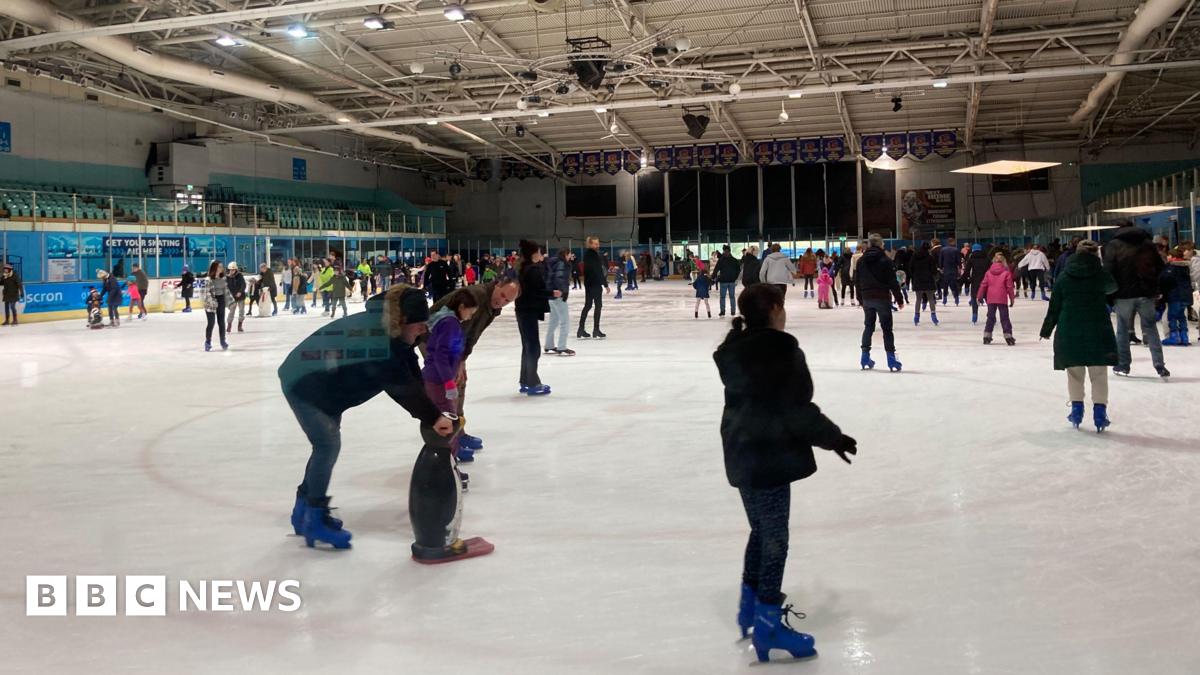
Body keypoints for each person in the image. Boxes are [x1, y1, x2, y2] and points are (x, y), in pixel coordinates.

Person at [713, 283, 856, 663]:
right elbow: (796, 408)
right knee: (776, 541)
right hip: (769, 454)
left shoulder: (733, 350)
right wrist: (833, 438)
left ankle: (748, 607)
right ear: (775, 309)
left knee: (761, 531)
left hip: (741, 450)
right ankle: (768, 625)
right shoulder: (782, 351)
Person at [280, 285, 471, 560]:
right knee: (327, 444)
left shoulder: (393, 332)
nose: (423, 330)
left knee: (325, 444)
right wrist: (432, 416)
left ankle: (303, 511)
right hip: (305, 384)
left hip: (324, 386)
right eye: (419, 325)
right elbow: (399, 385)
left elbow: (410, 371)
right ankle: (313, 516)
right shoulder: (377, 339)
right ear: (403, 321)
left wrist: (434, 411)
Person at [420, 277, 521, 459]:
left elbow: (472, 334)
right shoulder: (476, 297)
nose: (502, 301)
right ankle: (449, 442)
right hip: (434, 340)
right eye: (503, 295)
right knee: (447, 389)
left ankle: (457, 433)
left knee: (458, 385)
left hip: (449, 344)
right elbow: (457, 332)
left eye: (508, 301)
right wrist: (458, 363)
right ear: (497, 285)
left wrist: (463, 360)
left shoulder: (492, 306)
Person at [1039, 240, 1118, 432]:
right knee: (1099, 373)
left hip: (1070, 328)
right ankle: (1100, 413)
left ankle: (1076, 410)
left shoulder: (1064, 277)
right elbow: (1112, 288)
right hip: (1097, 327)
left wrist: (1047, 329)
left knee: (1074, 373)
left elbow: (1054, 306)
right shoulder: (1100, 274)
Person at [422, 291, 479, 483]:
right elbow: (440, 355)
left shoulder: (446, 320)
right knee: (448, 427)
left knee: (444, 426)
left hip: (435, 379)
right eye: (470, 312)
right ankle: (447, 472)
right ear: (462, 308)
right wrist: (448, 382)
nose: (470, 316)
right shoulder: (450, 324)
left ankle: (445, 468)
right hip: (438, 382)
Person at [1104, 222, 1169, 378]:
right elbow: (1160, 266)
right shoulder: (1147, 244)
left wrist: (1109, 295)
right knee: (1151, 328)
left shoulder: (1114, 245)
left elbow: (1108, 270)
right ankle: (1160, 365)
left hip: (1123, 294)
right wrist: (1153, 285)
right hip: (1145, 293)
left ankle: (1123, 365)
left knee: (1123, 330)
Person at [515, 241, 560, 396]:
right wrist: (552, 293)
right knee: (533, 348)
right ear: (534, 253)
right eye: (540, 251)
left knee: (527, 347)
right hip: (528, 310)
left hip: (523, 310)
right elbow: (536, 291)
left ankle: (525, 380)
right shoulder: (532, 270)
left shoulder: (524, 267)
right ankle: (533, 383)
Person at [856, 233, 905, 371]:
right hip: (882, 298)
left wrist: (860, 298)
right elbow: (892, 282)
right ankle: (891, 360)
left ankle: (865, 357)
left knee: (868, 327)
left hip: (867, 298)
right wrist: (899, 299)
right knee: (887, 329)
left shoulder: (861, 261)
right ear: (880, 244)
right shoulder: (885, 260)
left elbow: (857, 282)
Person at [977, 251, 1016, 345]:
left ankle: (987, 336)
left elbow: (983, 285)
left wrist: (979, 296)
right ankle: (1008, 336)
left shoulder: (988, 272)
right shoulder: (1006, 273)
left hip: (991, 298)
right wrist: (1012, 298)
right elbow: (1010, 287)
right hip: (1002, 298)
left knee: (990, 317)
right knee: (1004, 317)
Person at [544, 248, 575, 356]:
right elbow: (560, 278)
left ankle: (549, 345)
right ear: (566, 254)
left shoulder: (554, 263)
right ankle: (562, 347)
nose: (570, 256)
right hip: (558, 296)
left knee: (553, 322)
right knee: (565, 322)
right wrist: (563, 292)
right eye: (570, 254)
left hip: (551, 296)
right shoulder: (562, 264)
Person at [578, 236, 609, 339]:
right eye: (595, 244)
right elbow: (598, 271)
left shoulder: (589, 254)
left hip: (589, 284)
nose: (597, 245)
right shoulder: (592, 255)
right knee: (597, 306)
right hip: (594, 284)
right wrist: (605, 284)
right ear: (590, 244)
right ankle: (595, 330)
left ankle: (581, 329)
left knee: (588, 305)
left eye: (598, 243)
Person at [1161, 248, 1193, 346]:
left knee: (1172, 316)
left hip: (1175, 296)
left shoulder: (1172, 267)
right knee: (1181, 317)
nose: (1167, 257)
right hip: (1186, 296)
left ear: (1173, 257)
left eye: (1169, 255)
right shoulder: (1185, 267)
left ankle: (1174, 337)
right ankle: (1184, 336)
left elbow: (1164, 280)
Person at [909, 242, 939, 326]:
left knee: (918, 299)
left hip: (918, 279)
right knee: (930, 299)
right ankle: (933, 315)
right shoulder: (930, 258)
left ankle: (916, 316)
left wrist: (914, 276)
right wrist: (935, 275)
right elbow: (933, 270)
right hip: (928, 279)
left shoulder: (914, 257)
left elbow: (910, 267)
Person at [202, 261, 229, 351]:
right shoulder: (208, 279)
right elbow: (206, 293)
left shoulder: (223, 279)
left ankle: (223, 341)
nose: (221, 268)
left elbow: (226, 292)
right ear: (215, 268)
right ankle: (208, 342)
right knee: (211, 323)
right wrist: (213, 302)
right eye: (219, 267)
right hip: (210, 302)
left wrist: (230, 302)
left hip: (221, 301)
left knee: (221, 322)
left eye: (222, 267)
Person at [963, 244, 990, 324]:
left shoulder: (971, 258)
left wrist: (964, 280)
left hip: (975, 281)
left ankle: (974, 315)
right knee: (988, 298)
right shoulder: (987, 258)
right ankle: (991, 315)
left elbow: (967, 271)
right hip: (986, 281)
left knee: (974, 298)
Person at [713, 245, 741, 317]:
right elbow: (738, 270)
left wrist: (713, 277)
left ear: (727, 251)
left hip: (725, 281)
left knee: (724, 297)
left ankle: (724, 311)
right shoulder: (734, 260)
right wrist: (735, 278)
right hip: (729, 281)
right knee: (731, 297)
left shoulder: (722, 260)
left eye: (725, 251)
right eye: (725, 251)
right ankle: (732, 311)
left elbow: (716, 269)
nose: (725, 252)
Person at [937, 236, 963, 305]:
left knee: (945, 284)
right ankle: (956, 297)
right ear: (952, 242)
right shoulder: (956, 250)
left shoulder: (943, 250)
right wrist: (960, 267)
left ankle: (945, 298)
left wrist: (940, 267)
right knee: (954, 284)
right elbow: (958, 260)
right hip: (953, 269)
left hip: (946, 269)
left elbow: (941, 260)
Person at [225, 261, 247, 333]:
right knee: (232, 311)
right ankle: (229, 325)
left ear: (236, 270)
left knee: (241, 311)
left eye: (233, 270)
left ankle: (240, 326)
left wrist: (240, 292)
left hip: (240, 297)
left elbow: (243, 285)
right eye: (231, 270)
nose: (232, 271)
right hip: (232, 298)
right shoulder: (227, 277)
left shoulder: (239, 276)